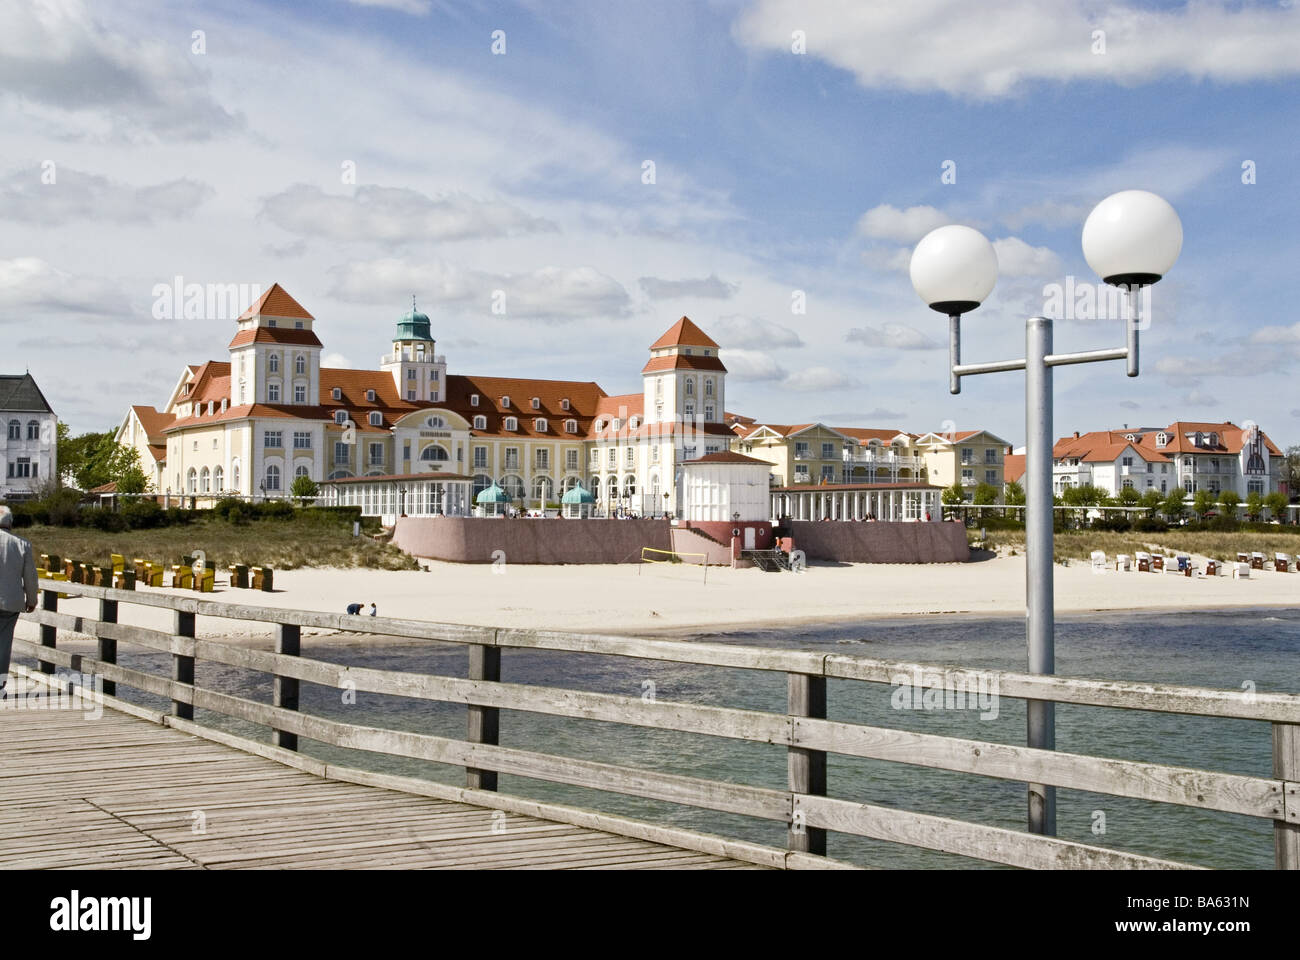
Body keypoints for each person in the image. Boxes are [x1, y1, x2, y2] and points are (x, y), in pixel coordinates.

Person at [0, 506, 39, 698]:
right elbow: (30, 577)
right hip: (10, 602)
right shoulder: (22, 544)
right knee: (3, 644)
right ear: (10, 522)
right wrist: (32, 600)